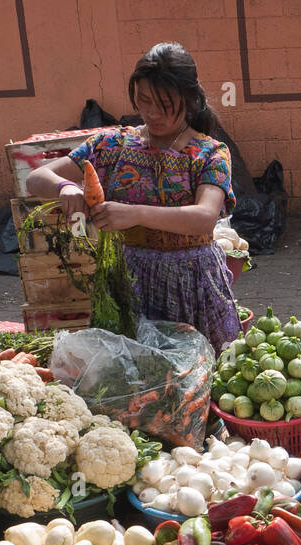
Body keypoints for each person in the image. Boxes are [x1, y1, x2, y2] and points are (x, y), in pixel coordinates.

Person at [26, 42, 240, 352]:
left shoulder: (210, 152)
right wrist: (66, 188)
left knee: (199, 375)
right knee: (133, 378)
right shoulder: (112, 145)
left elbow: (204, 217)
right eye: (144, 100)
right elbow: (36, 178)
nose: (152, 112)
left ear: (189, 99)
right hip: (128, 283)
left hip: (192, 285)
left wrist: (134, 213)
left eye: (164, 104)